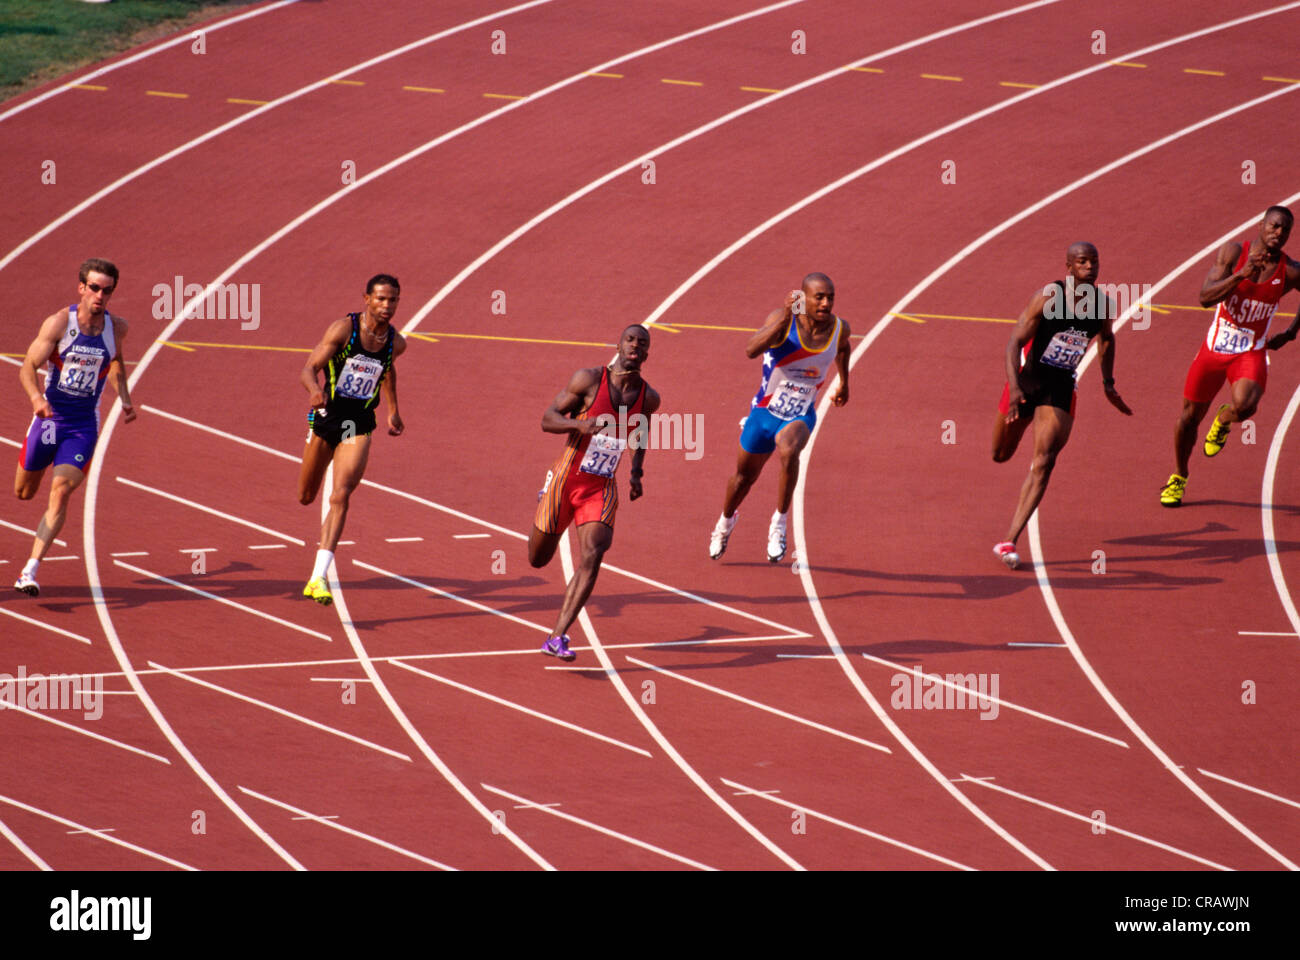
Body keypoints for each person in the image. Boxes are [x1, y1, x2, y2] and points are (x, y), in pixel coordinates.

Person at [991, 243, 1131, 568]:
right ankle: (1018, 415)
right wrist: (1013, 388)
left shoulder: (1101, 305)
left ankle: (1008, 540)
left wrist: (1108, 383)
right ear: (1069, 266)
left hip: (1060, 386)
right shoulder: (1048, 297)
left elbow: (1107, 338)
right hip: (1027, 380)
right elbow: (1014, 341)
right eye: (1082, 262)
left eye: (1094, 261)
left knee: (1045, 461)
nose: (1090, 267)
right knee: (1000, 454)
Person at [530, 325, 660, 661]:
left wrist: (636, 472)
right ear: (618, 345)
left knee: (594, 552)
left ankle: (557, 636)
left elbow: (640, 434)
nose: (635, 345)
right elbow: (547, 419)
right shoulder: (587, 380)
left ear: (647, 354)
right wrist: (578, 425)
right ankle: (546, 503)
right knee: (538, 559)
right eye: (630, 340)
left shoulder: (649, 398)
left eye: (642, 343)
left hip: (600, 488)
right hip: (564, 481)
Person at [1160, 205, 1300, 506]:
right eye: (1274, 226)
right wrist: (1241, 276)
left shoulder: (1289, 271)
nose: (1278, 233)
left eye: (1285, 229)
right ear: (1261, 225)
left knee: (1247, 406)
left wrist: (1291, 332)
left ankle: (1224, 419)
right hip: (1215, 349)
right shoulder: (1234, 253)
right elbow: (1204, 298)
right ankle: (1179, 476)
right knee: (1187, 419)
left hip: (1250, 350)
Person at [13, 259, 135, 597]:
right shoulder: (58, 324)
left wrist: (124, 398)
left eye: (107, 290)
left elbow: (115, 362)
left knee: (62, 490)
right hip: (49, 419)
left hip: (83, 425)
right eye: (94, 288)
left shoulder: (117, 328)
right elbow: (27, 367)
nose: (100, 295)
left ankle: (30, 569)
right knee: (23, 492)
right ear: (81, 288)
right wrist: (37, 397)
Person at [708, 273, 849, 563]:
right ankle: (725, 522)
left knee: (788, 449)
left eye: (830, 297)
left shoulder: (839, 328)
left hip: (800, 414)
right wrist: (785, 317)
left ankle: (779, 523)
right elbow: (751, 350)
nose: (826, 303)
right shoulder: (783, 320)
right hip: (763, 412)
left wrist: (844, 382)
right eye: (819, 297)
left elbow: (843, 348)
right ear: (802, 297)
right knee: (743, 479)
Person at [297, 274, 406, 604]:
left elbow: (387, 369)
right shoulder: (344, 330)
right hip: (327, 418)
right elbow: (308, 368)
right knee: (306, 496)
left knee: (341, 494)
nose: (388, 306)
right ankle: (317, 574)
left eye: (394, 300)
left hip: (357, 424)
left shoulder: (396, 343)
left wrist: (393, 410)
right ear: (367, 299)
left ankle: (318, 577)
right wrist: (315, 391)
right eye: (382, 299)